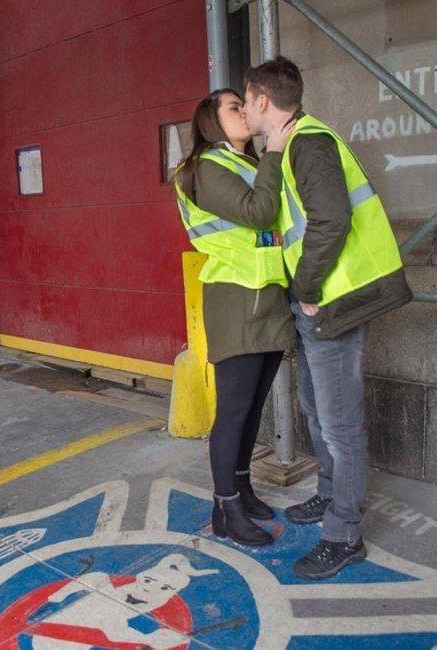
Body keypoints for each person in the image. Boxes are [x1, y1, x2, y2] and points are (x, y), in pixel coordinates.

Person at [242, 56, 412, 579]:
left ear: (263, 101)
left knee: (338, 425)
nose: (245, 109)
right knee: (318, 409)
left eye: (246, 100)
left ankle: (343, 536)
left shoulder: (308, 144)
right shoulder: (293, 144)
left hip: (334, 301)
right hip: (322, 301)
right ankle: (330, 495)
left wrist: (308, 288)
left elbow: (331, 218)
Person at [174, 89, 296, 547]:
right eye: (233, 107)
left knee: (253, 408)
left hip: (264, 295)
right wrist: (276, 152)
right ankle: (225, 507)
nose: (244, 112)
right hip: (236, 299)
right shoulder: (209, 166)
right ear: (211, 120)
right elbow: (260, 211)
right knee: (235, 411)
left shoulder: (245, 163)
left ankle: (242, 490)